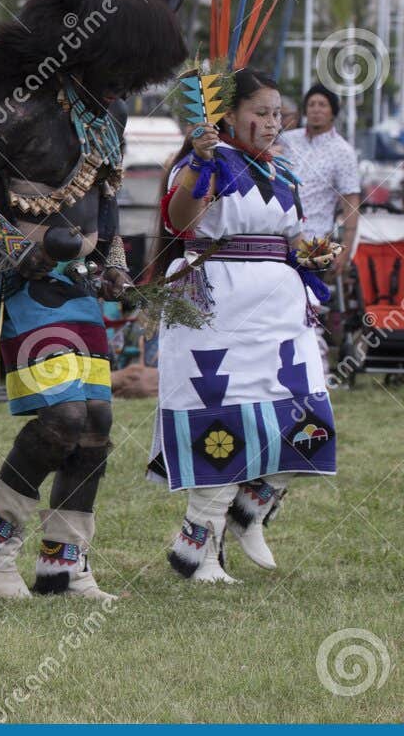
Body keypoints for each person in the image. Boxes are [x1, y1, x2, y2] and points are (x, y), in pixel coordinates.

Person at [0, 0, 192, 602]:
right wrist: (15, 248)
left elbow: (107, 201)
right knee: (63, 417)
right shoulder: (23, 104)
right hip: (19, 284)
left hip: (79, 286)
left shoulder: (109, 114)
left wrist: (115, 265)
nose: (127, 84)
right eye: (121, 68)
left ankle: (63, 562)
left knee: (97, 426)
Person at [152, 68, 336, 582]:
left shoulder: (283, 171)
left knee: (309, 422)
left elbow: (292, 236)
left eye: (278, 113)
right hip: (215, 308)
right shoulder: (199, 163)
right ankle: (199, 550)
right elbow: (181, 222)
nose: (273, 122)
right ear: (227, 115)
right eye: (261, 113)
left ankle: (247, 509)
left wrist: (312, 255)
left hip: (280, 312)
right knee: (221, 425)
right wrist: (202, 161)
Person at [279, 84, 360, 277]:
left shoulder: (343, 151)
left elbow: (351, 203)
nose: (316, 109)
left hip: (312, 244)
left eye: (322, 104)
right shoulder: (286, 140)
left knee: (308, 302)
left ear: (333, 112)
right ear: (305, 109)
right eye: (312, 104)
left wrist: (346, 250)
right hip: (277, 236)